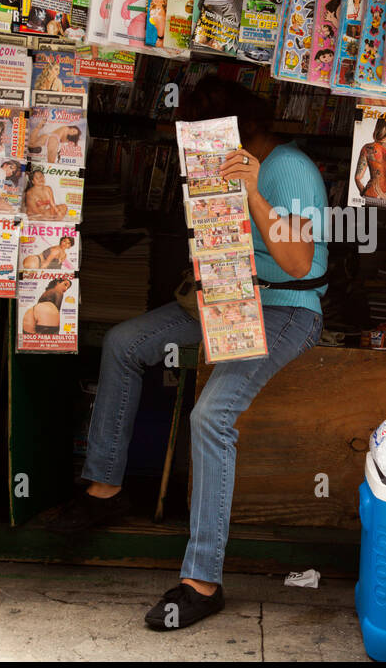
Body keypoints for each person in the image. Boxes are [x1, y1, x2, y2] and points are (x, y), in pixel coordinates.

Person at [47, 76, 328, 631]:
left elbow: (298, 263)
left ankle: (202, 580)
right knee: (126, 342)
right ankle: (105, 488)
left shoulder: (290, 169)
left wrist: (251, 190)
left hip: (288, 308)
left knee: (211, 415)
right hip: (228, 294)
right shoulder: (218, 163)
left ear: (240, 131)